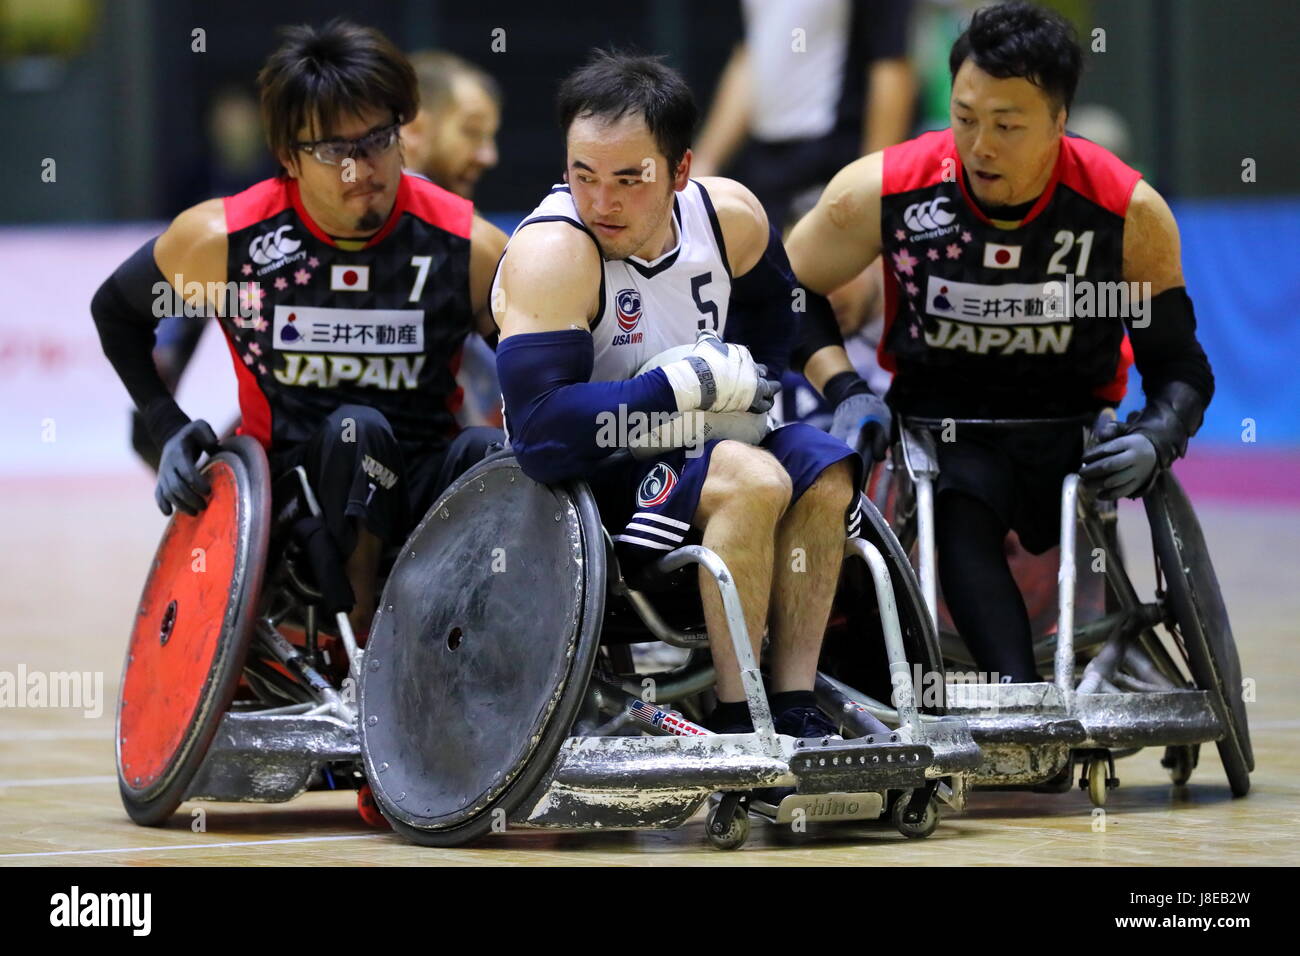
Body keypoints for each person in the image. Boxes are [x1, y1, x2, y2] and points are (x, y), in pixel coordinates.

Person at [784, 1, 1215, 683]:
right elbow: (784, 288)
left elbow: (1181, 365)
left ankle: (1097, 654)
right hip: (945, 426)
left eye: (1007, 125)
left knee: (1056, 504)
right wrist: (845, 388)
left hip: (1072, 427)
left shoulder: (1125, 211)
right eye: (964, 117)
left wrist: (1160, 431)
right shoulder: (886, 188)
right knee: (960, 502)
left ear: (1058, 122)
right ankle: (1021, 695)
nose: (979, 144)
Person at [491, 50, 889, 743]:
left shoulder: (730, 216)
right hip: (592, 474)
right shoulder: (555, 253)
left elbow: (781, 312)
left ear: (680, 171)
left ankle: (793, 701)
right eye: (582, 175)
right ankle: (740, 718)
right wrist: (669, 391)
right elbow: (538, 433)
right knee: (753, 477)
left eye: (627, 179)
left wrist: (798, 383)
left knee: (827, 468)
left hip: (703, 447)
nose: (602, 202)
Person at [92, 19, 508, 635]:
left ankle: (497, 643)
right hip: (294, 498)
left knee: (490, 453)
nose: (360, 168)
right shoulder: (223, 241)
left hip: (422, 488)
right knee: (357, 430)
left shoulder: (469, 246)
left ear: (403, 135)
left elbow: (541, 364)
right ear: (289, 157)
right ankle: (361, 649)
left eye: (377, 140)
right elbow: (115, 312)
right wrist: (164, 422)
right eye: (334, 150)